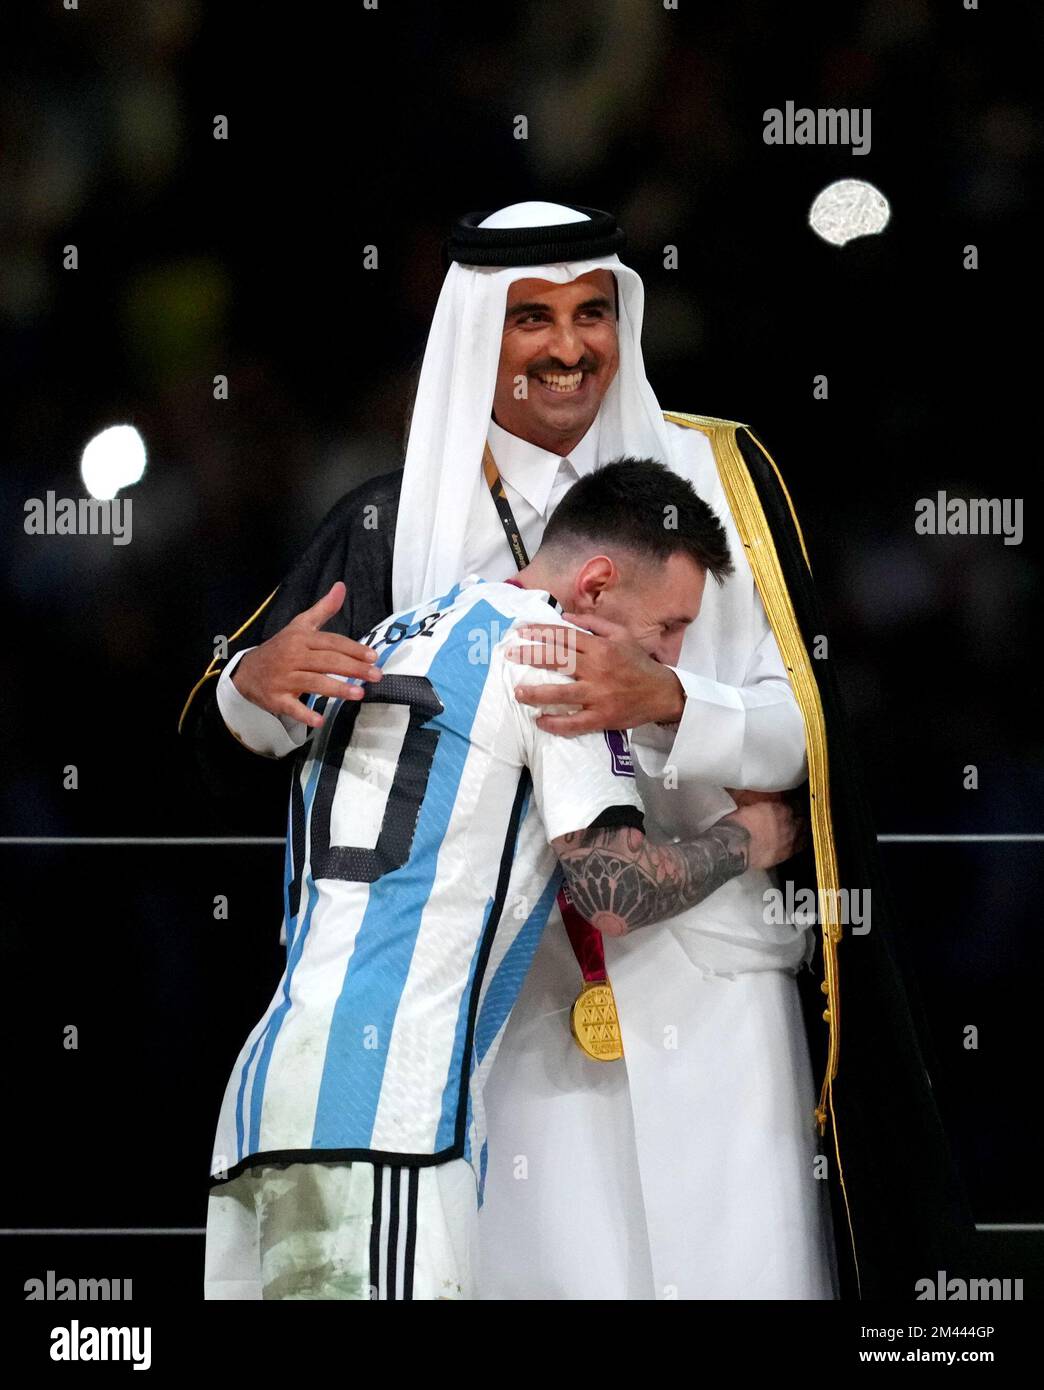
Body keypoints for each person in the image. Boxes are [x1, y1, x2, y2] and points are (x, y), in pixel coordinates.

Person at [181, 200, 973, 1299]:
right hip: (510, 1040)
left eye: (593, 311)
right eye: (531, 318)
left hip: (725, 1009)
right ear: (475, 335)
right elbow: (263, 728)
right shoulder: (392, 520)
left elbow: (818, 730)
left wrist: (670, 699)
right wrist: (246, 686)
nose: (568, 346)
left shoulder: (728, 476)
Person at [202, 457, 804, 1300]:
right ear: (595, 583)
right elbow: (615, 891)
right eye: (668, 628)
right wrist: (754, 834)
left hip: (260, 1107)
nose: (668, 658)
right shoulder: (555, 657)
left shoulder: (394, 630)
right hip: (390, 1119)